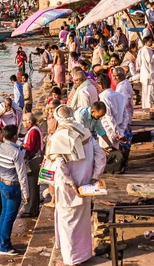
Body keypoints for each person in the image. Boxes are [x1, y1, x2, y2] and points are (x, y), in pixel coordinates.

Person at [48, 105, 95, 266]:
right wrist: (94, 177)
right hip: (86, 185)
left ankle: (71, 259)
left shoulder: (59, 136)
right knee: (82, 222)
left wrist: (71, 183)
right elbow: (101, 155)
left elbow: (60, 165)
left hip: (68, 188)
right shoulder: (85, 131)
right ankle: (84, 254)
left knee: (68, 223)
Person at [0, 124, 30, 256]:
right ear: (14, 136)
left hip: (2, 184)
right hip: (13, 186)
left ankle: (0, 242)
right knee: (9, 216)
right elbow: (22, 174)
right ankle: (4, 245)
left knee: (4, 213)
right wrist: (26, 194)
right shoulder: (16, 153)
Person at [73, 102, 112, 179]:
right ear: (92, 112)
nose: (100, 118)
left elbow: (101, 131)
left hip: (87, 134)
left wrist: (110, 145)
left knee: (97, 154)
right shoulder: (81, 116)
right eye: (99, 116)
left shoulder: (95, 117)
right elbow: (81, 134)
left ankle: (92, 176)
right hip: (77, 137)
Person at [20, 113, 44, 217]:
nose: (23, 123)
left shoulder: (33, 131)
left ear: (29, 122)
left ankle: (31, 210)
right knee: (32, 185)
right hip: (33, 159)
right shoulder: (33, 129)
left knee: (32, 186)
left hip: (33, 160)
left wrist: (21, 145)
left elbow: (30, 146)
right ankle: (32, 208)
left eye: (24, 121)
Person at [136, 35, 154, 111]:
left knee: (147, 92)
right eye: (150, 41)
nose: (151, 42)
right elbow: (150, 60)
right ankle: (149, 108)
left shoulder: (145, 50)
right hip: (149, 74)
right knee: (149, 92)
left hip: (147, 74)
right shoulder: (146, 50)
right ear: (146, 42)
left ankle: (147, 107)